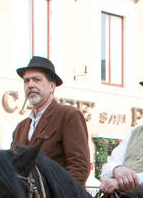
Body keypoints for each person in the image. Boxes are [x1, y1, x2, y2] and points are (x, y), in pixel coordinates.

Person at [10, 56, 92, 186]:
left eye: (37, 80)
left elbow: (79, 167)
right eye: (26, 81)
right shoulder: (21, 127)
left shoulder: (69, 115)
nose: (30, 84)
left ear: (52, 87)